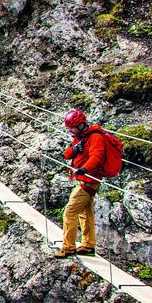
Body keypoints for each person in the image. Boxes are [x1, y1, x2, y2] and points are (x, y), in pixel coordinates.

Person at [57, 108, 108, 258]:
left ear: (80, 125)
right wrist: (74, 149)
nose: (70, 131)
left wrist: (84, 169)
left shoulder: (95, 137)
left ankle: (68, 248)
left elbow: (96, 157)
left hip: (89, 180)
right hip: (84, 179)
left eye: (72, 127)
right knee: (86, 213)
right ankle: (88, 244)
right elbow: (66, 154)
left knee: (70, 212)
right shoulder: (81, 137)